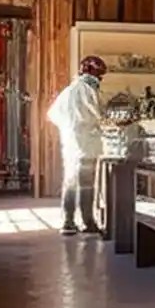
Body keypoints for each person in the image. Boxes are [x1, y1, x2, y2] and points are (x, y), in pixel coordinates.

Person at [47, 56, 107, 235]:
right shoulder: (87, 89)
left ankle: (68, 221)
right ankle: (88, 222)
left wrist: (69, 128)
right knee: (87, 183)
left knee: (70, 181)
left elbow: (52, 114)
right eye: (100, 75)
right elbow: (99, 113)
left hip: (71, 142)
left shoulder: (69, 90)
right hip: (86, 142)